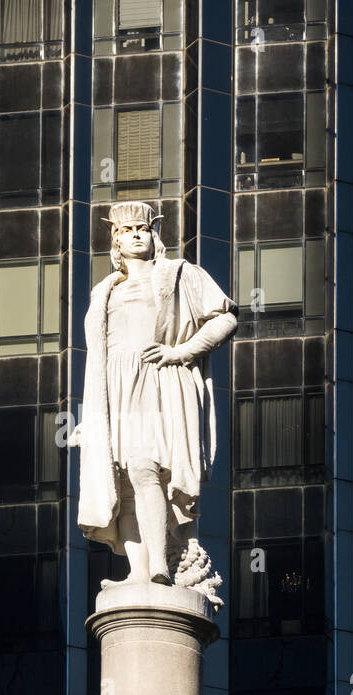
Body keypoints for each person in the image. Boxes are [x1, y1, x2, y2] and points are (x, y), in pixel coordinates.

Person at [70, 201, 237, 588]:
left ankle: (161, 564)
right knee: (122, 480)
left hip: (161, 382)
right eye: (126, 231)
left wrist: (181, 352)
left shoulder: (180, 274)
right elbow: (100, 355)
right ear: (116, 242)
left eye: (142, 229)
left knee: (146, 469)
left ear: (153, 234)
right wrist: (93, 416)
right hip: (116, 388)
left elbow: (226, 317)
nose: (136, 236)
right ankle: (139, 572)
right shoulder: (106, 290)